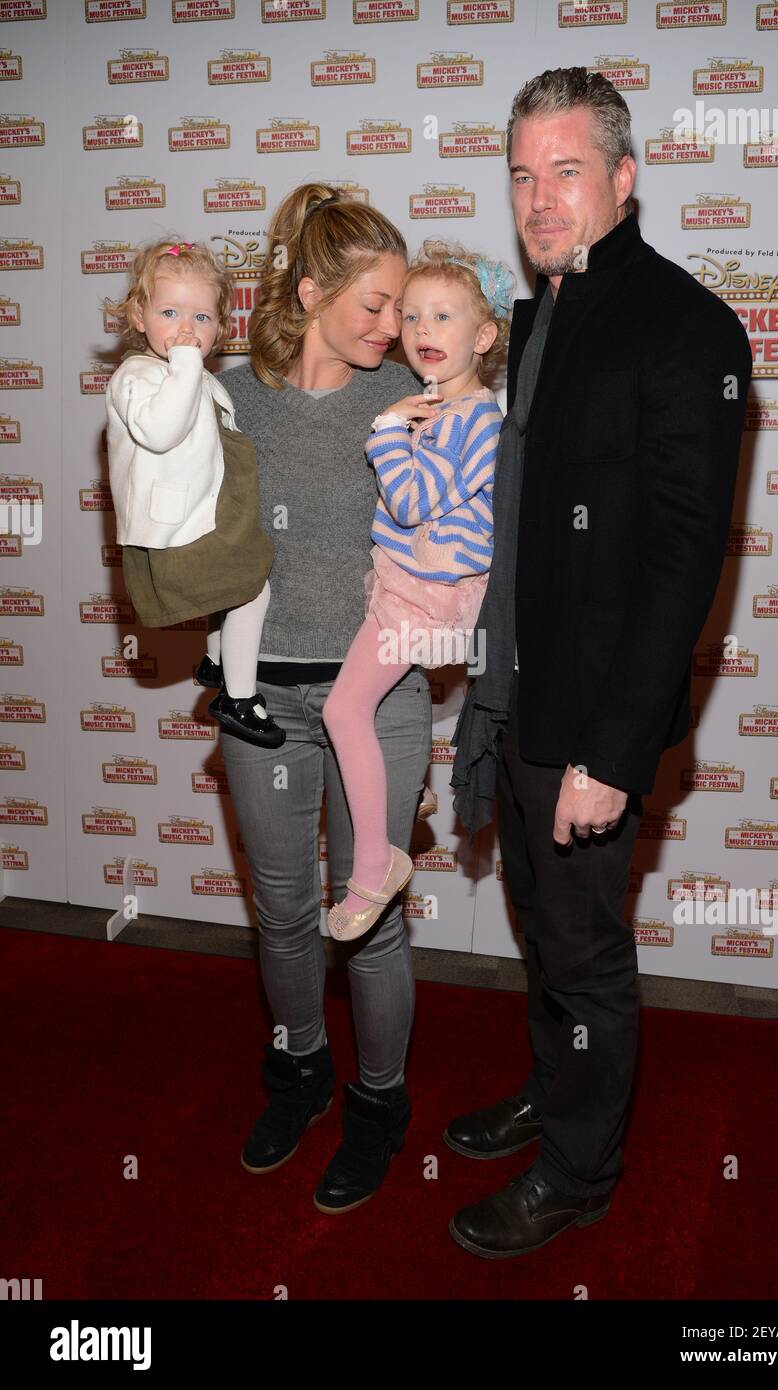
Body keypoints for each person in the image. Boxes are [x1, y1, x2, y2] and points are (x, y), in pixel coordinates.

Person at [447, 67, 753, 1258]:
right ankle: (553, 1089)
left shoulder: (687, 328)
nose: (539, 198)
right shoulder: (537, 316)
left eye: (564, 171)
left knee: (585, 951)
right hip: (518, 696)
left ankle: (579, 1170)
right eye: (522, 175)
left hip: (588, 726)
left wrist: (611, 752)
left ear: (624, 179)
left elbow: (682, 565)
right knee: (542, 930)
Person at [217, 185, 433, 1215]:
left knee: (373, 917)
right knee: (284, 908)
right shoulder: (229, 394)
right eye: (375, 303)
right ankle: (297, 1072)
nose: (392, 327)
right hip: (265, 699)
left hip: (377, 697)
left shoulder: (407, 398)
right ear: (310, 291)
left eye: (400, 306)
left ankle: (379, 1105)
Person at [322, 239, 514, 941]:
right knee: (374, 711)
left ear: (484, 335)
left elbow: (410, 500)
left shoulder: (476, 421)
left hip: (429, 600)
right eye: (412, 317)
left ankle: (375, 864)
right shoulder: (440, 408)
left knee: (344, 712)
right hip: (413, 588)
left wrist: (383, 434)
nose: (423, 331)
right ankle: (412, 795)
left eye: (443, 316)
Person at [104, 238, 284, 749]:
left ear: (222, 328)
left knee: (230, 591)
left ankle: (216, 660)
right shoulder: (137, 376)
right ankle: (239, 698)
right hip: (176, 526)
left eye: (202, 318)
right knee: (250, 591)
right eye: (169, 312)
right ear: (139, 316)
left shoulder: (194, 378)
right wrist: (187, 363)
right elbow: (162, 431)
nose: (187, 329)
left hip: (209, 513)